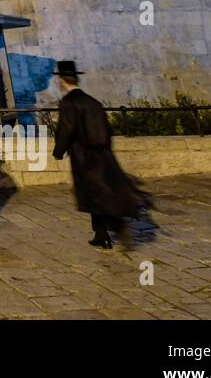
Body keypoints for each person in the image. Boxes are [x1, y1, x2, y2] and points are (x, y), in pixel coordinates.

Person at [51, 60, 152, 249]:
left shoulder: (69, 103)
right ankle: (101, 232)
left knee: (93, 194)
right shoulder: (93, 102)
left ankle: (112, 227)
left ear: (62, 81)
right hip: (103, 154)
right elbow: (106, 128)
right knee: (100, 192)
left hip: (83, 155)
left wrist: (58, 150)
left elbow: (67, 129)